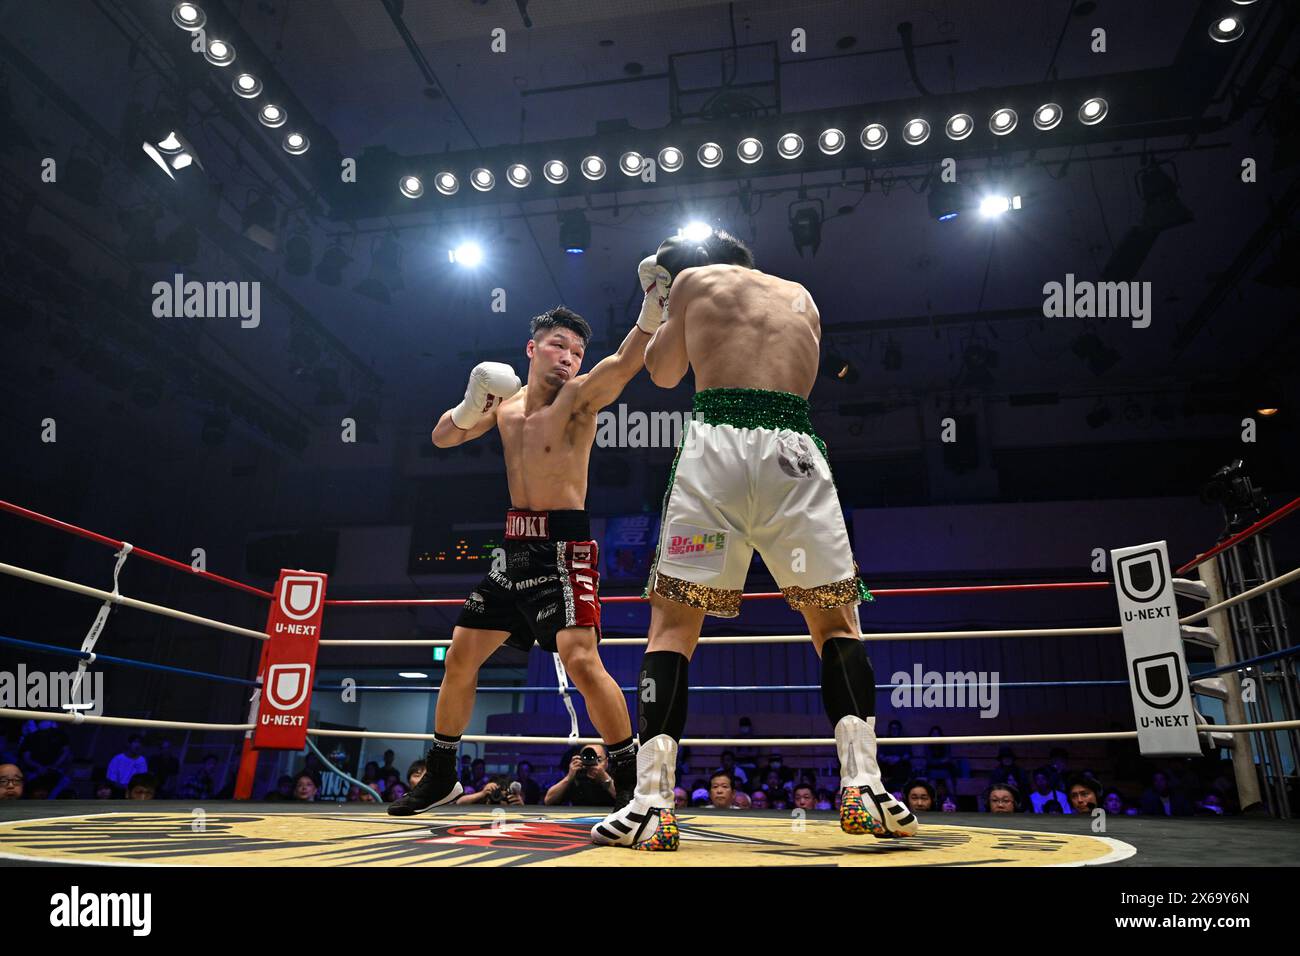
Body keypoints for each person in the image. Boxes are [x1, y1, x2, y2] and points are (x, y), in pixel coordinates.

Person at [594, 228, 917, 850]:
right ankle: (865, 787)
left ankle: (652, 805)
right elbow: (804, 381)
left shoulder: (693, 281)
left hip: (716, 452)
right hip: (795, 456)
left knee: (673, 628)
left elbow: (662, 374)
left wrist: (658, 300)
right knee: (837, 624)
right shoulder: (801, 295)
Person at [391, 298, 657, 817]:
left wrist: (651, 308)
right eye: (559, 345)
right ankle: (441, 777)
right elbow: (442, 438)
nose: (569, 358)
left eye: (577, 351)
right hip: (513, 550)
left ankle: (631, 781)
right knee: (460, 657)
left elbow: (626, 363)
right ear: (531, 349)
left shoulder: (579, 398)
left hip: (563, 550)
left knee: (581, 661)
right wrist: (471, 403)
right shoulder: (506, 407)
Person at [544, 744, 617, 807]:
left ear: (606, 762)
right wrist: (569, 777)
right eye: (589, 758)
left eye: (598, 759)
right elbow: (548, 800)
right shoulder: (576, 777)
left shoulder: (615, 776)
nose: (593, 762)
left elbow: (622, 800)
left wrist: (604, 778)